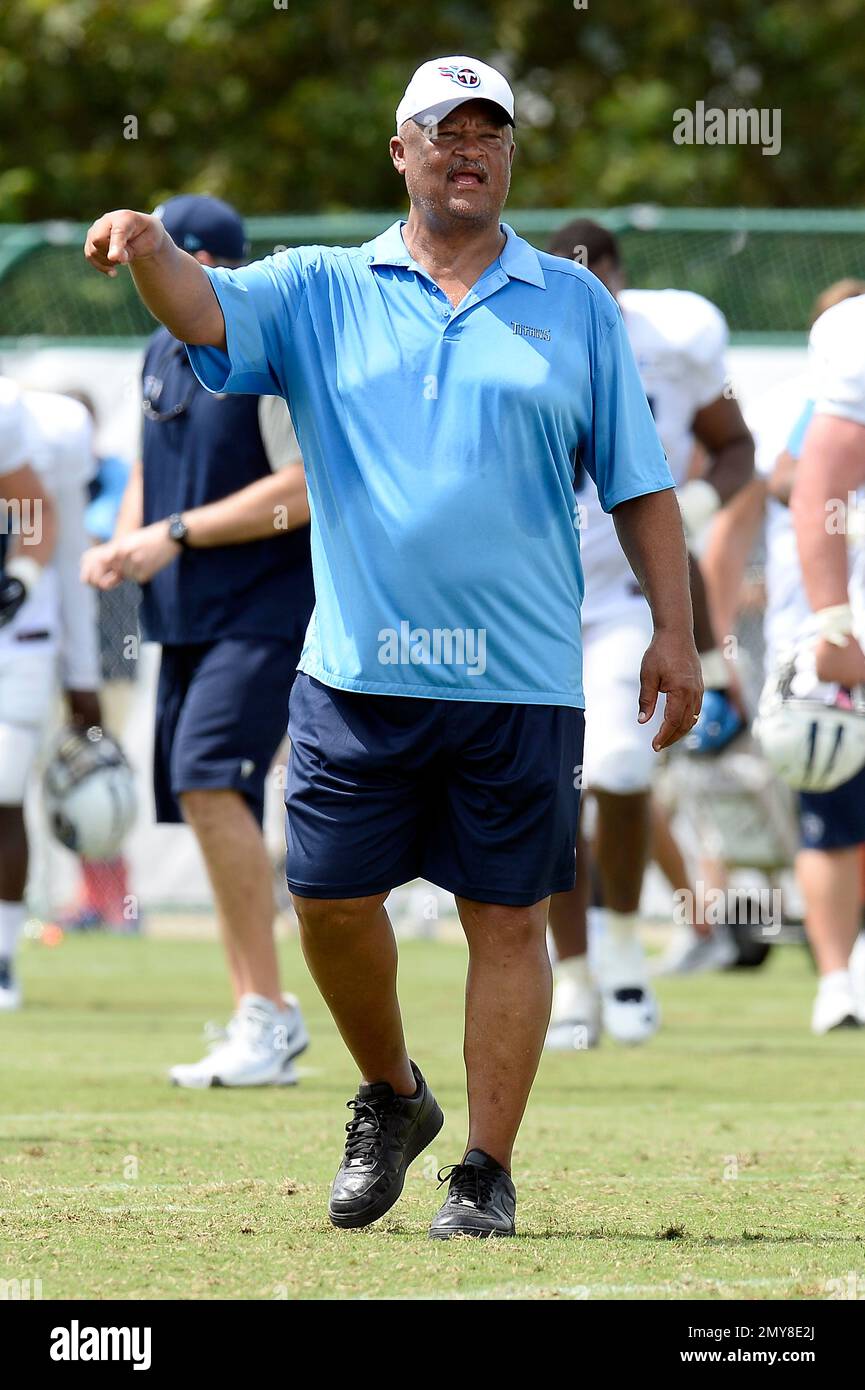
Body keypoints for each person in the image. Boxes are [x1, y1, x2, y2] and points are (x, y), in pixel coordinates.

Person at [83, 57, 702, 1238]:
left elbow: (640, 482)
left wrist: (674, 631)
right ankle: (393, 1093)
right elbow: (207, 311)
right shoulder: (322, 285)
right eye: (444, 131)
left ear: (509, 157)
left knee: (507, 917)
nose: (469, 149)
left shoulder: (574, 303)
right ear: (401, 154)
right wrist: (150, 244)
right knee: (324, 899)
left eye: (490, 133)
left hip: (519, 677)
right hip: (356, 670)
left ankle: (483, 1168)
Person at [81, 195, 315, 1087]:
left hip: (265, 609)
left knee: (213, 779)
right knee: (208, 795)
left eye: (171, 261)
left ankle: (269, 1014)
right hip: (181, 617)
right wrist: (126, 541)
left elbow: (299, 487)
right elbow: (149, 463)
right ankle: (258, 1010)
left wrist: (170, 536)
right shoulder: (156, 350)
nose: (159, 280)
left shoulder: (261, 354)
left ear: (214, 266)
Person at [545, 219, 754, 1044]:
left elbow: (734, 445)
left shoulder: (675, 342)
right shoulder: (510, 335)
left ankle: (623, 952)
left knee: (625, 768)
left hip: (629, 592)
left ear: (621, 283)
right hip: (531, 593)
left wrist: (693, 513)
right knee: (547, 787)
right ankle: (568, 980)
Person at [0, 380, 99, 1010]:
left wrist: (20, 574)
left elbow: (37, 517)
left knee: (3, 795)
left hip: (16, 636)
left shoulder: (19, 417)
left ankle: (2, 956)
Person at [789, 290, 865, 1029]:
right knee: (833, 805)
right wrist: (833, 624)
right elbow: (806, 485)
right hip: (857, 625)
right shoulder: (853, 337)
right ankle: (837, 979)